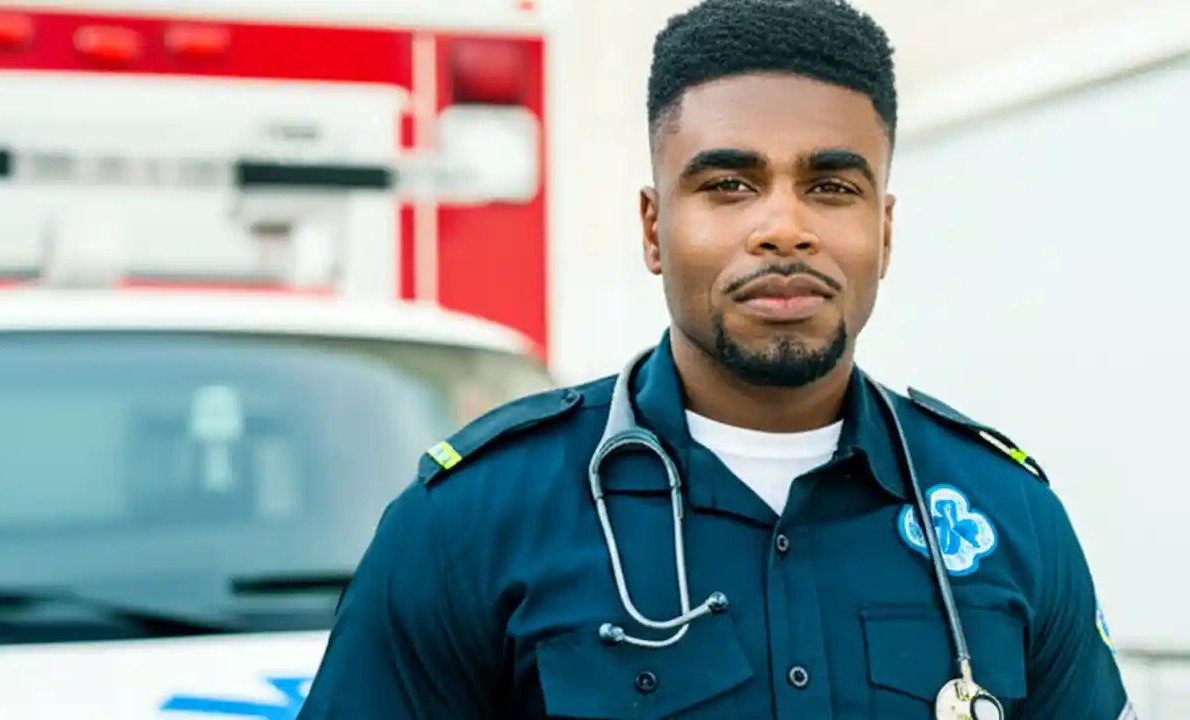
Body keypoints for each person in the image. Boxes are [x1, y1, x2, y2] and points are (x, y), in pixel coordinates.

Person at [297, 0, 1136, 717]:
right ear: (654, 228)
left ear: (884, 231)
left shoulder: (1007, 518)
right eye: (729, 185)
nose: (783, 226)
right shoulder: (468, 525)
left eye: (832, 187)